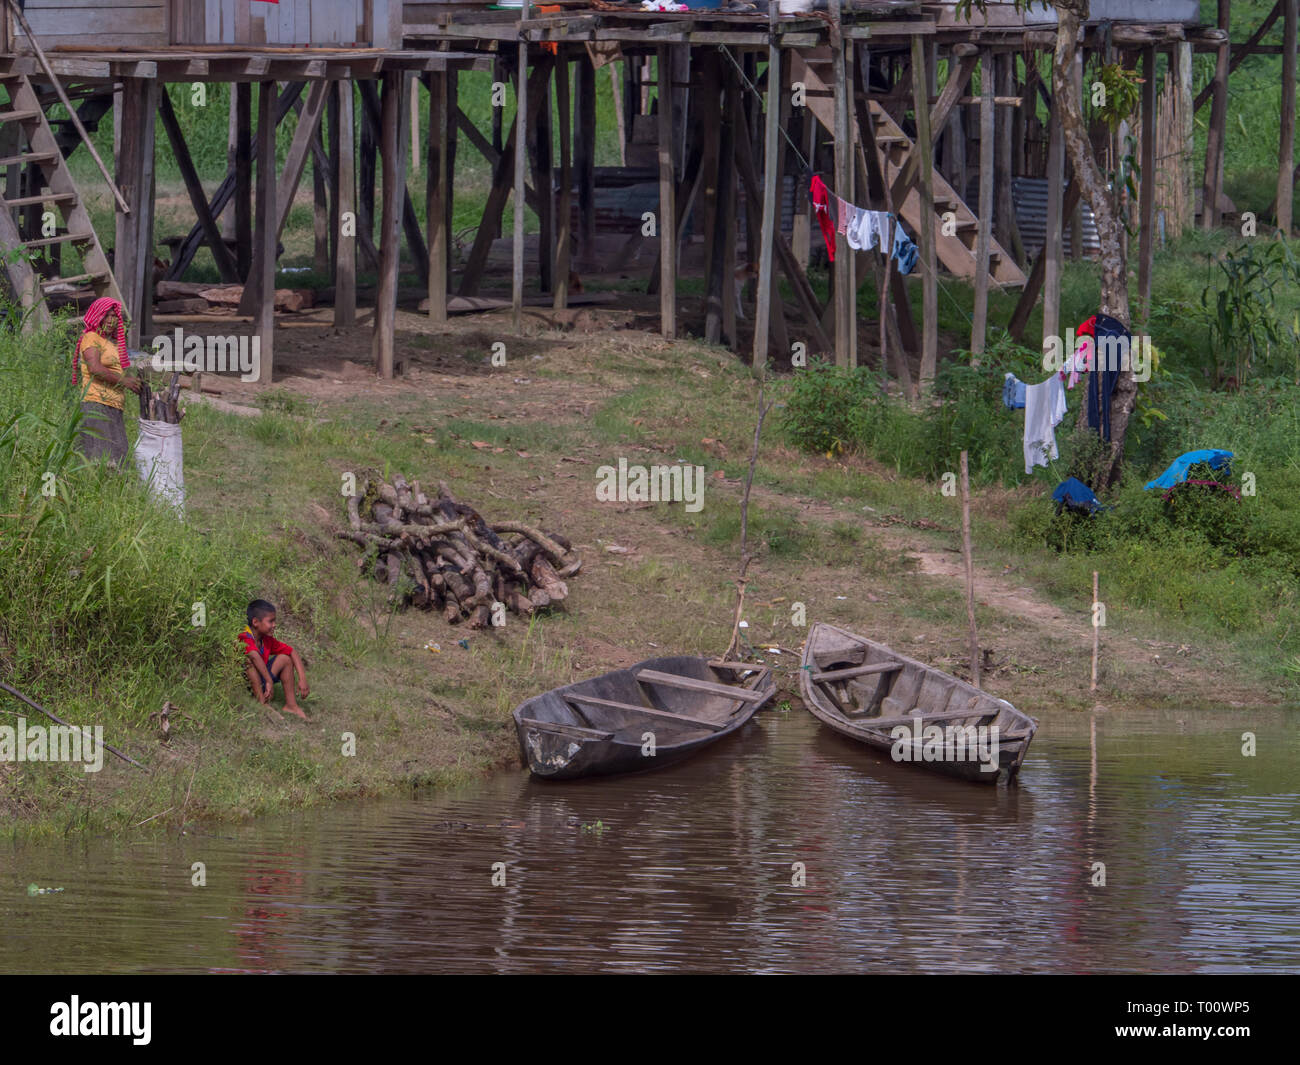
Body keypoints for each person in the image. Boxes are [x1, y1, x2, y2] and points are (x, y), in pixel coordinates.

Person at [74, 297, 141, 467]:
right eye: (107, 315)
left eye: (114, 316)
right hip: (96, 403)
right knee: (102, 462)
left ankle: (116, 493)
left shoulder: (110, 344)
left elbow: (115, 372)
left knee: (119, 462)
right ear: (98, 316)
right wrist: (124, 381)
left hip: (114, 407)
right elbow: (94, 368)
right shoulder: (91, 337)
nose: (111, 320)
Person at [238, 600, 309, 719]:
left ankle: (291, 706)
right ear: (255, 622)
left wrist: (302, 679)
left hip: (263, 680)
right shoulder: (244, 636)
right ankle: (262, 703)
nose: (274, 625)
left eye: (274, 621)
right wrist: (269, 680)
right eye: (270, 621)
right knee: (248, 661)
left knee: (285, 659)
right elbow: (254, 656)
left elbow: (292, 652)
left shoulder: (266, 639)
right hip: (245, 683)